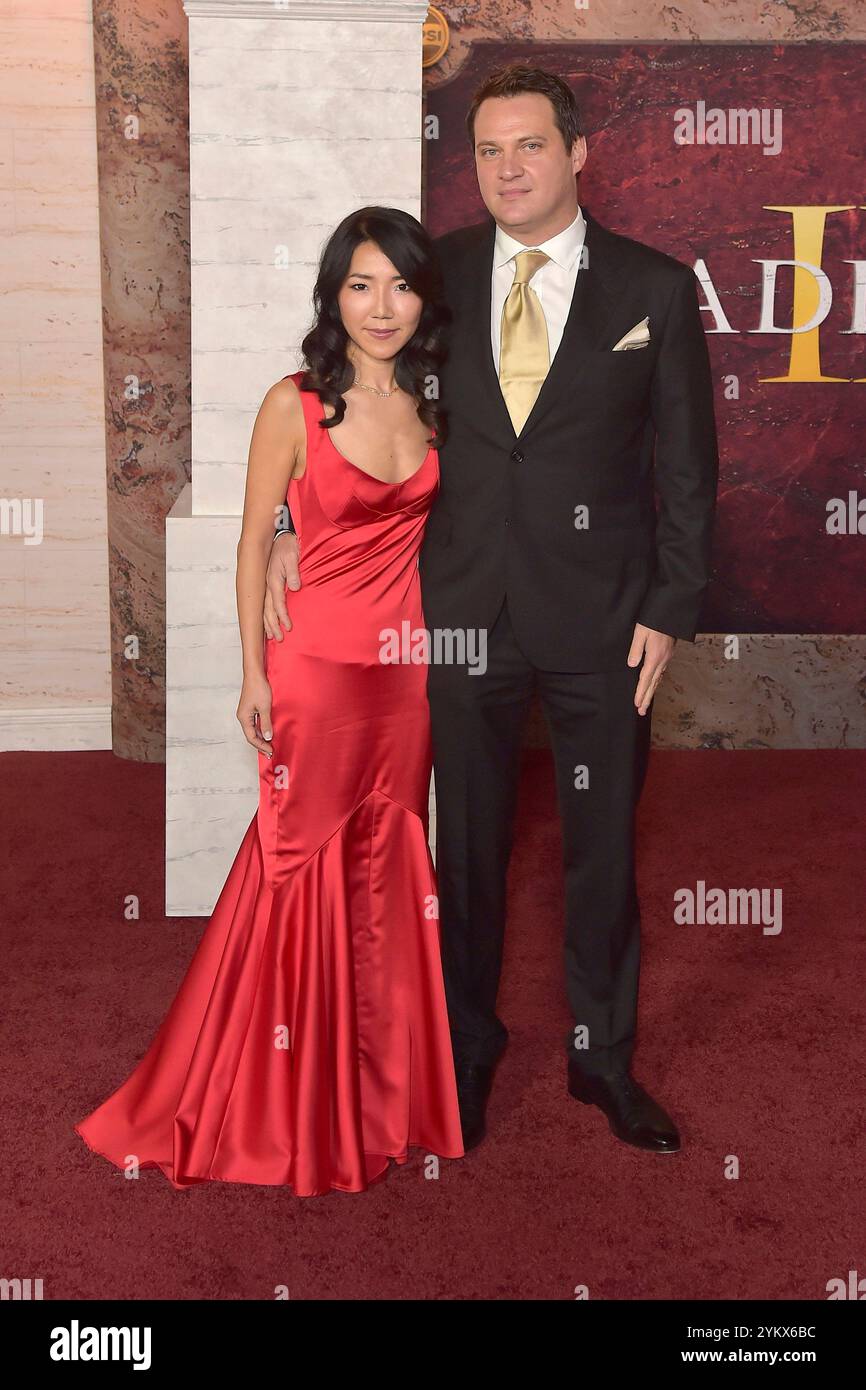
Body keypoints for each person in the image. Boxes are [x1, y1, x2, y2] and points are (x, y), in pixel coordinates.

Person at [266, 65, 719, 1156]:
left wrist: (668, 601)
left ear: (575, 154)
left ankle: (600, 1057)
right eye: (485, 150)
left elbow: (689, 469)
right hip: (458, 609)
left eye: (526, 146)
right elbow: (349, 386)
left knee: (599, 848)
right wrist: (293, 517)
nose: (505, 168)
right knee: (462, 852)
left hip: (607, 621)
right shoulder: (443, 276)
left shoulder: (653, 290)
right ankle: (463, 1050)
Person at [74, 206, 464, 1194]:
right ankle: (276, 1100)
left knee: (390, 861)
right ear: (333, 296)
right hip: (315, 670)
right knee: (297, 860)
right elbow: (253, 541)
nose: (382, 306)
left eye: (401, 285)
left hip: (407, 671)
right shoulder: (292, 403)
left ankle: (380, 1096)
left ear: (425, 298)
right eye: (361, 285)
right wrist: (251, 670)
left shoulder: (437, 399)